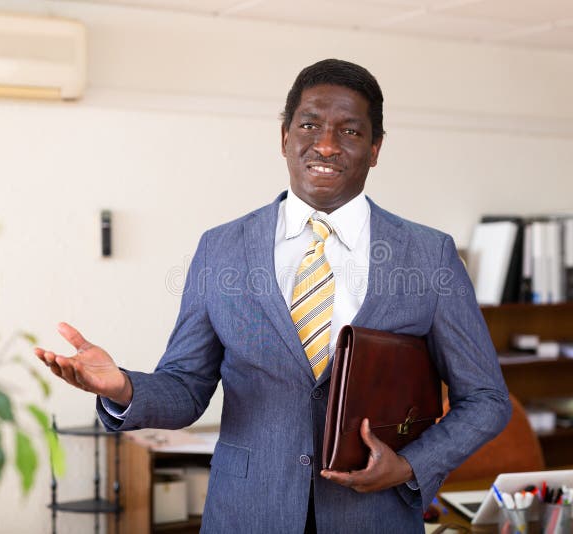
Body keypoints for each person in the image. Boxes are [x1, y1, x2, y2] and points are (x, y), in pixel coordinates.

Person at [35, 58, 511, 534]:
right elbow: (186, 386)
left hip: (373, 516)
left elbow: (487, 398)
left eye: (350, 131)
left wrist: (409, 467)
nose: (326, 145)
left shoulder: (429, 255)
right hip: (246, 514)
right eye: (310, 125)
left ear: (375, 148)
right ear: (285, 137)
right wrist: (122, 387)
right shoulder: (221, 248)